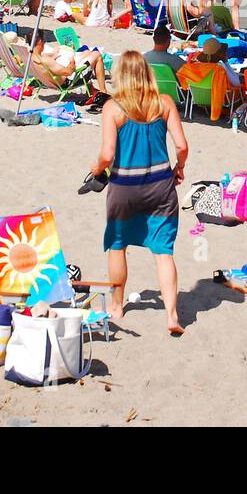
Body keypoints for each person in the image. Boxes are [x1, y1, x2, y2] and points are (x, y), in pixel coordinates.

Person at [89, 51, 189, 335]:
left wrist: (96, 169)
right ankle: (171, 315)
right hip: (160, 185)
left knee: (118, 245)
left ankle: (118, 305)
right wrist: (179, 168)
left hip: (125, 187)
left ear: (120, 74)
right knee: (164, 252)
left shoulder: (114, 107)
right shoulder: (164, 103)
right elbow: (181, 146)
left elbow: (108, 155)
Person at [32, 30, 110, 95]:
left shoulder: (31, 58)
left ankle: (91, 89)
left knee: (86, 52)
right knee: (97, 54)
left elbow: (49, 61)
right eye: (43, 41)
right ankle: (103, 91)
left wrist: (54, 54)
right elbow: (69, 72)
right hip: (68, 81)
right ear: (39, 42)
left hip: (48, 81)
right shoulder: (46, 61)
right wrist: (71, 59)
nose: (44, 43)